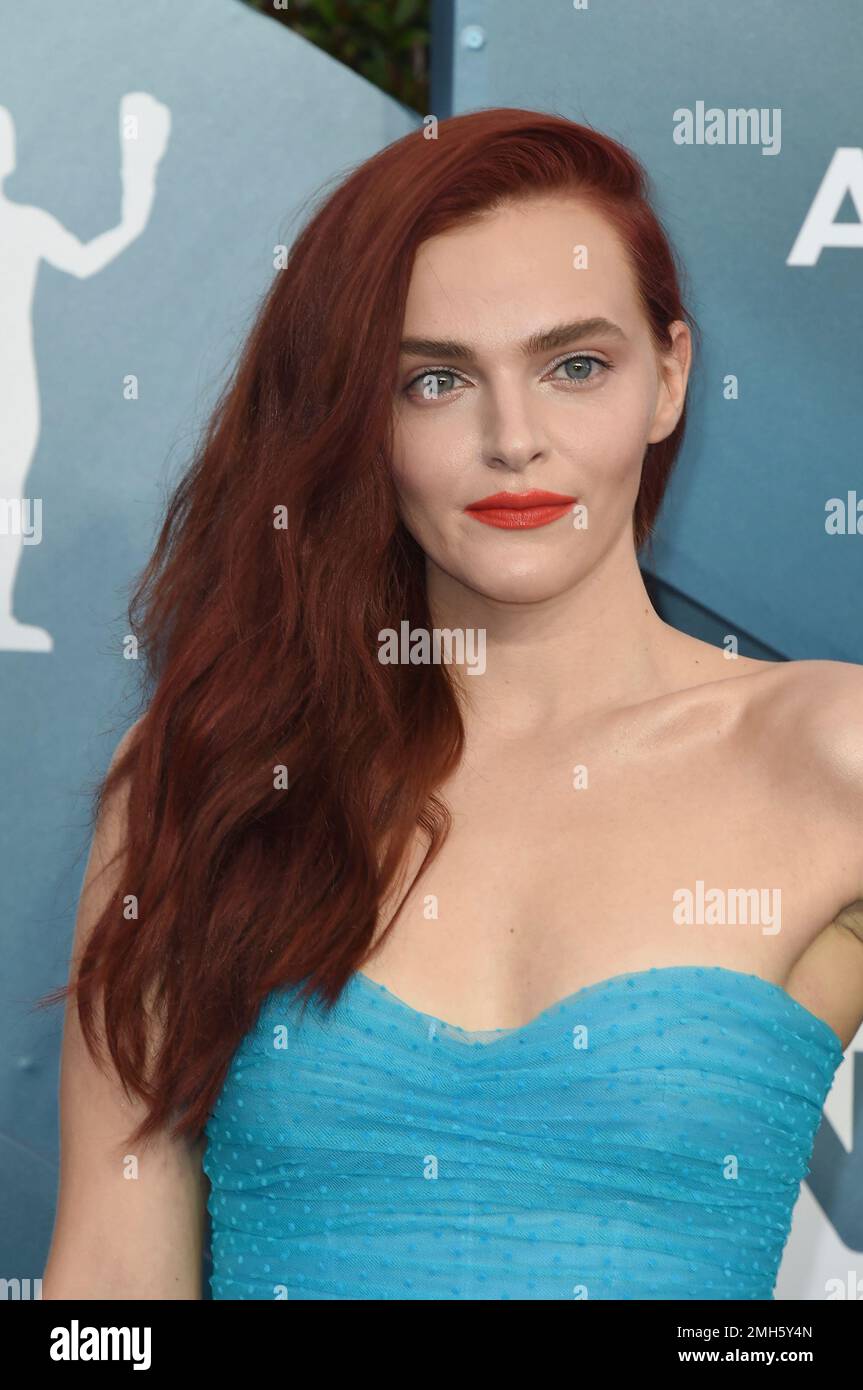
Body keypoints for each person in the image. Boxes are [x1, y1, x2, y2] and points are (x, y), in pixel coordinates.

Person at [42, 108, 863, 1301]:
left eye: (573, 365)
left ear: (668, 377)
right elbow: (105, 1300)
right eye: (434, 380)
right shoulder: (209, 772)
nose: (512, 439)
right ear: (359, 421)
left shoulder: (828, 755)